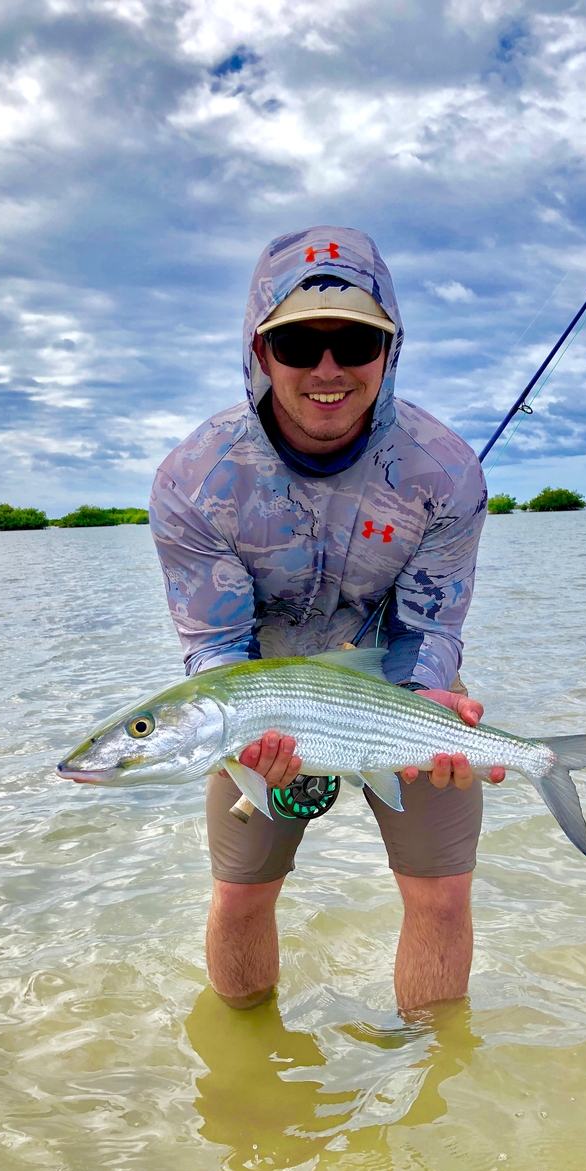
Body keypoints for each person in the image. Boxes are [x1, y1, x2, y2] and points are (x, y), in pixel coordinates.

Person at [150, 226, 504, 1012]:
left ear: (391, 348)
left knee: (442, 897)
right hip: (263, 699)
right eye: (299, 344)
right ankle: (250, 1074)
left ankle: (435, 1096)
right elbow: (214, 645)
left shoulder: (445, 471)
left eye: (355, 342)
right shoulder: (194, 479)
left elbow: (431, 625)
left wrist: (430, 698)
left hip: (400, 691)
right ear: (260, 350)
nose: (328, 370)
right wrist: (244, 727)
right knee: (241, 896)